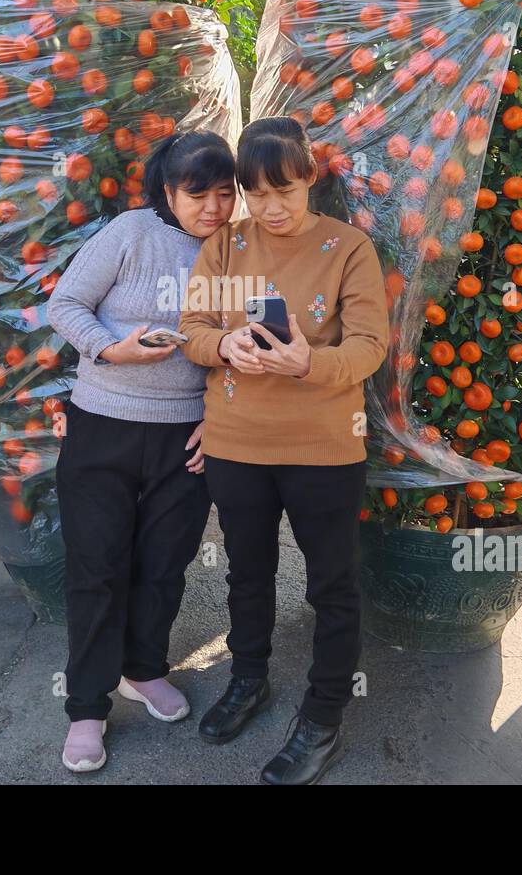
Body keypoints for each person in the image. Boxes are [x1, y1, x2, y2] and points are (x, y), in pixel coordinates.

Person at [179, 116, 390, 785]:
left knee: (332, 582)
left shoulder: (348, 247)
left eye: (286, 191)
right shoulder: (226, 247)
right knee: (247, 572)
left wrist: (308, 362)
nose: (271, 208)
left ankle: (323, 715)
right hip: (238, 444)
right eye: (256, 193)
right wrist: (224, 345)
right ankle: (249, 678)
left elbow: (369, 346)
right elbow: (191, 328)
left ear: (310, 179)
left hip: (325, 446)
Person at [46, 131, 238, 773]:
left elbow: (252, 344)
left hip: (185, 435)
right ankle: (87, 709)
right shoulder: (131, 233)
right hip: (104, 425)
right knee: (98, 566)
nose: (212, 207)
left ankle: (143, 668)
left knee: (165, 562)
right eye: (197, 193)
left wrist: (220, 418)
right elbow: (64, 304)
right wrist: (110, 348)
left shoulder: (239, 252)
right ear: (167, 191)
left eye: (224, 192)